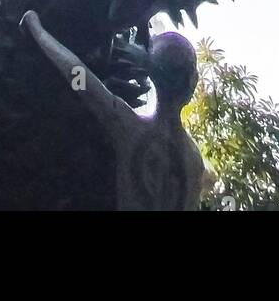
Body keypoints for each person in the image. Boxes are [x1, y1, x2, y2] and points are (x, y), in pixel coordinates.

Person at [20, 11, 210, 211]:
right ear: (192, 81)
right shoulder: (193, 159)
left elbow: (77, 75)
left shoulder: (128, 127)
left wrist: (37, 30)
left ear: (153, 73)